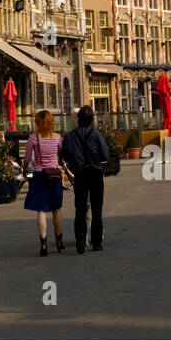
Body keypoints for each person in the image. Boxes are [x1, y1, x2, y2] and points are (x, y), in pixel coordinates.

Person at [61, 106, 109, 254]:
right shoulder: (96, 135)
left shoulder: (69, 136)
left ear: (78, 119)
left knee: (80, 208)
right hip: (95, 172)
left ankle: (80, 239)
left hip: (80, 174)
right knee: (96, 208)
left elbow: (65, 155)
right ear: (91, 120)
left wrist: (75, 162)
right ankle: (96, 242)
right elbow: (105, 156)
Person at [23, 110, 65, 256]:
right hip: (54, 174)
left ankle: (44, 245)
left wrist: (24, 170)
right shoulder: (57, 137)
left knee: (41, 210)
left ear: (37, 122)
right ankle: (59, 241)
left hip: (40, 174)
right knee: (56, 208)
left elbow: (27, 157)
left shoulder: (33, 138)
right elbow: (59, 155)